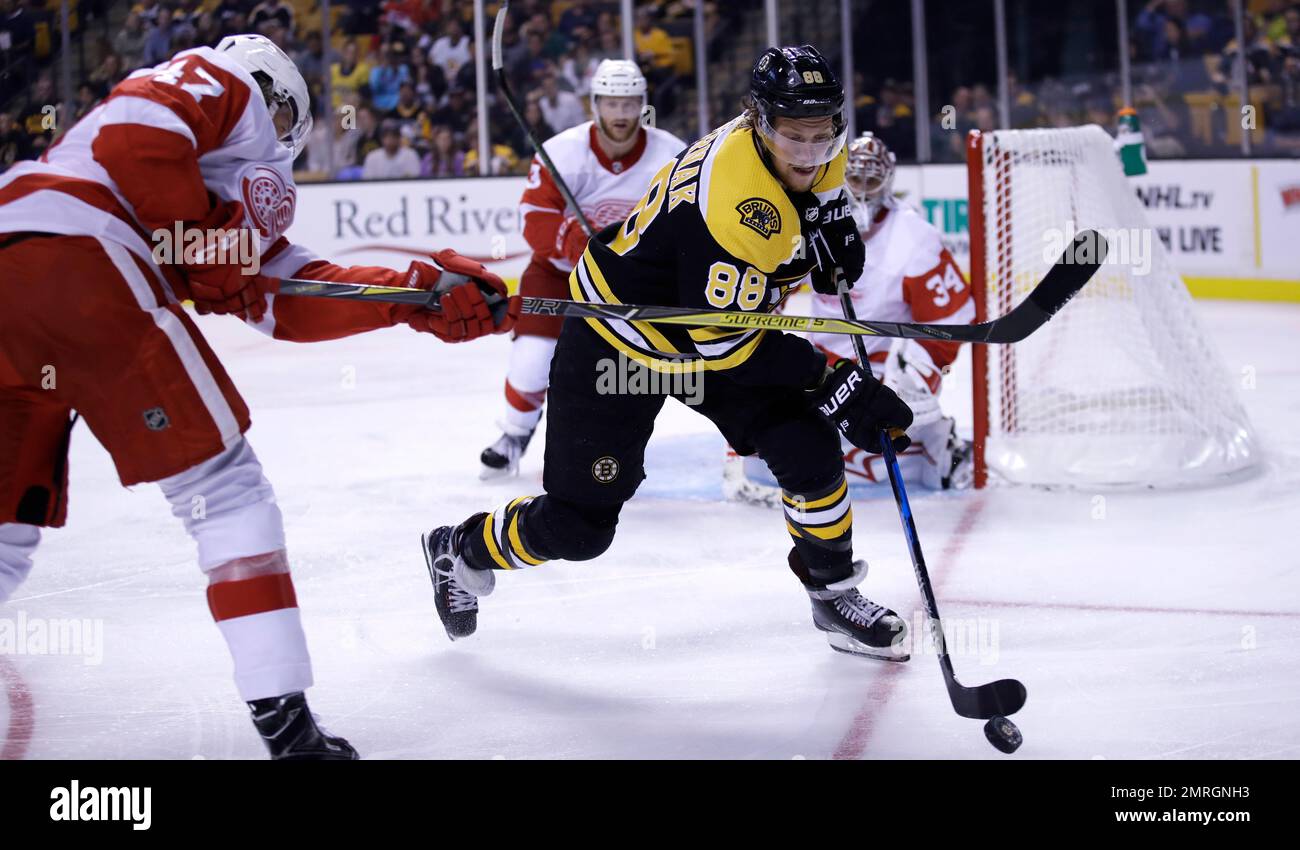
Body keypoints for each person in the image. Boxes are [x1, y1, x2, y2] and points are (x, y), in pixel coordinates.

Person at [0, 34, 519, 760]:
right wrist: (201, 240)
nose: (279, 153)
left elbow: (287, 299)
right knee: (226, 490)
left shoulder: (207, 179)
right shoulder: (227, 87)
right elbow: (138, 134)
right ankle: (288, 730)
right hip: (79, 253)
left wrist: (414, 297)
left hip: (14, 260)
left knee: (7, 536)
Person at [430, 46, 915, 662]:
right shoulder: (740, 202)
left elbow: (816, 193)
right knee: (579, 526)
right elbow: (728, 342)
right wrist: (832, 379)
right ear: (759, 122)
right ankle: (462, 547)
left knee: (808, 446)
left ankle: (832, 595)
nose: (811, 152)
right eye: (795, 138)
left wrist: (832, 228)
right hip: (622, 343)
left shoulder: (809, 141)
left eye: (823, 137)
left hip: (707, 332)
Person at [726, 133, 975, 502]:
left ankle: (939, 450)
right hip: (820, 370)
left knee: (906, 408)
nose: (860, 189)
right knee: (765, 394)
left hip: (884, 372)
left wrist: (921, 376)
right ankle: (746, 457)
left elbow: (949, 321)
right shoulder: (808, 222)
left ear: (887, 183)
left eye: (870, 180)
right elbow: (767, 294)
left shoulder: (913, 236)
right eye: (853, 178)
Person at [478, 60, 684, 479]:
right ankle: (516, 433)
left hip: (634, 280)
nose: (621, 114)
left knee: (628, 370)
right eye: (612, 103)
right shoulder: (561, 152)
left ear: (643, 105)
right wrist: (574, 244)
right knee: (533, 358)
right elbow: (533, 219)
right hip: (559, 274)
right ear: (595, 105)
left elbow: (690, 220)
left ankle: (619, 445)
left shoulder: (672, 154)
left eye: (629, 103)